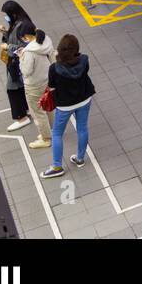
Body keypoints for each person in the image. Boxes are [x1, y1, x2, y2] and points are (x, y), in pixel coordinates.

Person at [41, 33, 95, 178]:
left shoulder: (54, 68)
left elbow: (51, 87)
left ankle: (57, 166)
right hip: (84, 99)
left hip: (65, 105)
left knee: (57, 133)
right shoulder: (84, 60)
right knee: (82, 128)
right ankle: (80, 158)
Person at [0, 2, 35, 131]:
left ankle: (21, 117)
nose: (6, 18)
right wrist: (5, 33)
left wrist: (8, 47)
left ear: (13, 13)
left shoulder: (22, 26)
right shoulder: (18, 23)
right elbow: (14, 40)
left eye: (6, 15)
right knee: (20, 87)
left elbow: (23, 47)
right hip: (16, 63)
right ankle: (26, 109)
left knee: (12, 88)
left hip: (17, 63)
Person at [18, 25, 55, 149]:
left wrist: (20, 59)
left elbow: (26, 71)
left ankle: (46, 138)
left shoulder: (28, 52)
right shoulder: (46, 40)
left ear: (26, 36)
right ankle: (51, 131)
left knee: (38, 112)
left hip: (34, 85)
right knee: (49, 106)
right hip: (47, 79)